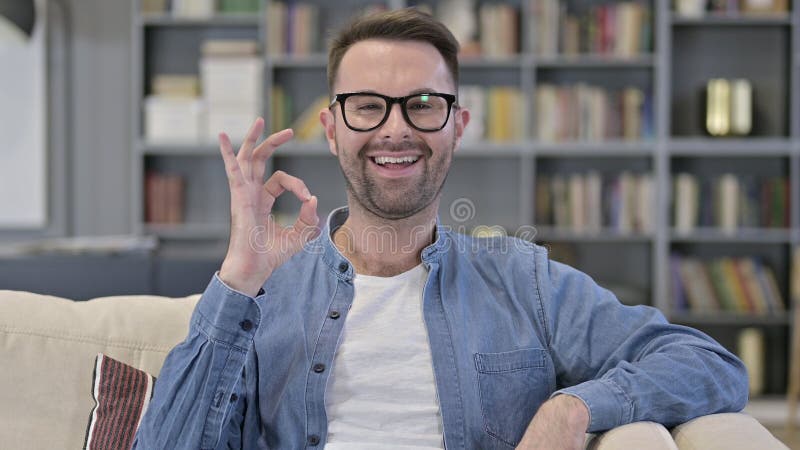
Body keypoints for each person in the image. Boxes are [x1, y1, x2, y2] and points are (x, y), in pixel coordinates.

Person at [134, 8, 747, 450]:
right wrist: (239, 279)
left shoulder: (523, 279)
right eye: (368, 105)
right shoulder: (262, 294)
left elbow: (708, 364)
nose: (395, 129)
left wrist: (576, 406)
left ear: (457, 124)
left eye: (423, 104)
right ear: (331, 127)